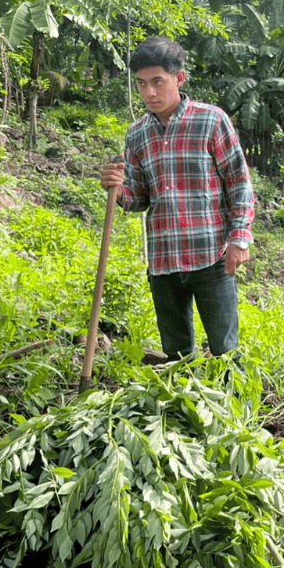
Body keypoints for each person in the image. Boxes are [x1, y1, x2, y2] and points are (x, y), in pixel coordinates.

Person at [100, 36, 254, 361]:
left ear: (179, 77)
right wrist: (117, 189)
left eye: (158, 82)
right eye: (141, 84)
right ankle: (182, 394)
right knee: (177, 357)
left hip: (211, 256)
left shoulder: (211, 120)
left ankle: (235, 396)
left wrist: (240, 239)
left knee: (226, 354)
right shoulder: (137, 133)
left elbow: (239, 182)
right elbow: (139, 197)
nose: (149, 92)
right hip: (163, 262)